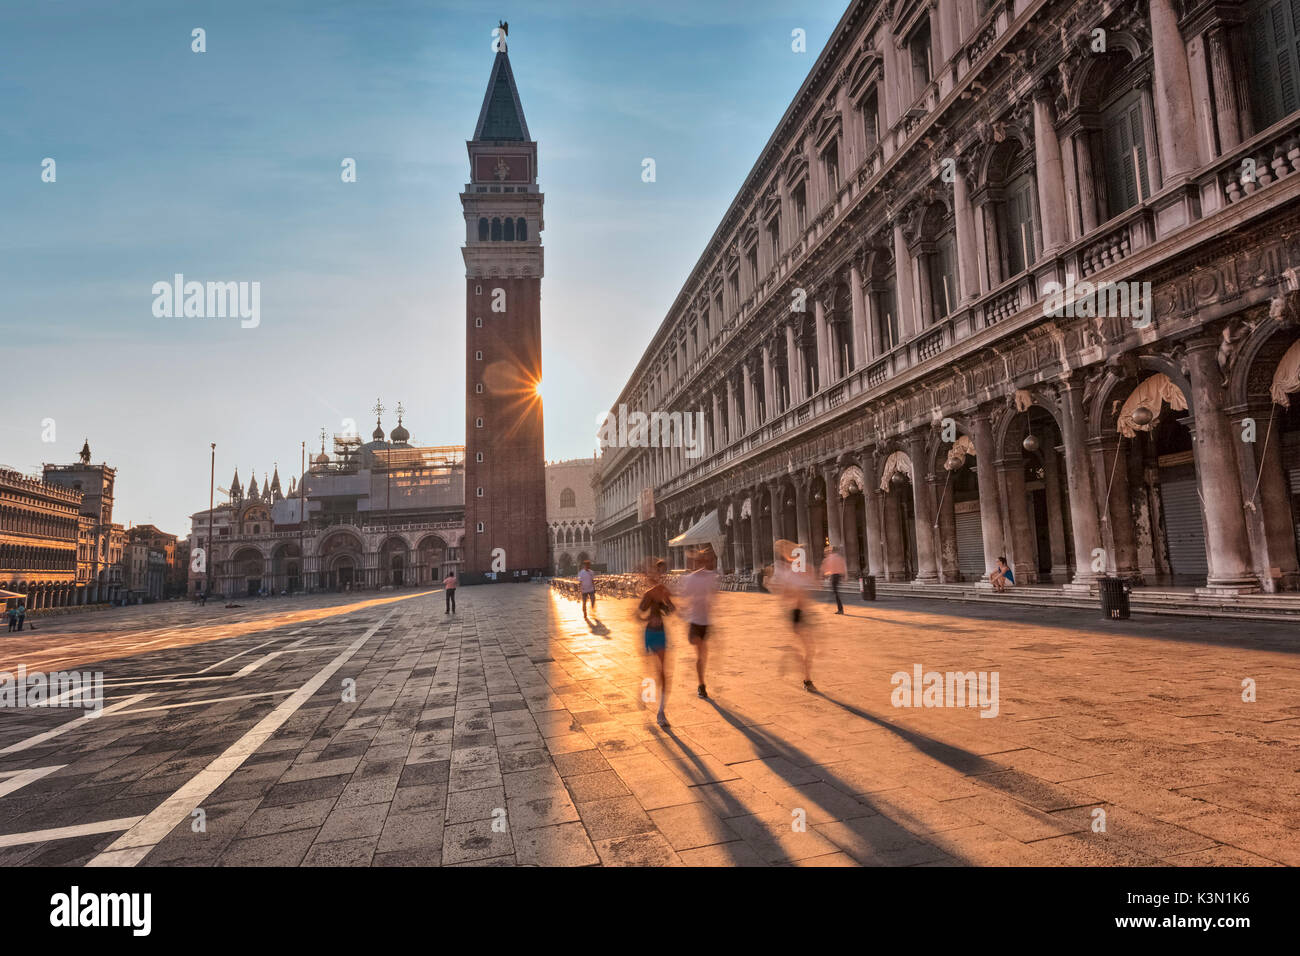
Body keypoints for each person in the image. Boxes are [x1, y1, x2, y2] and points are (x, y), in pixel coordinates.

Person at [637, 559, 676, 728]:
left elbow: (672, 608)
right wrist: (648, 617)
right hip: (650, 633)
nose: (661, 574)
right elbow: (638, 614)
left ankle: (661, 712)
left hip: (660, 632)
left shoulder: (663, 590)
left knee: (663, 671)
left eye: (663, 572)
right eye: (659, 571)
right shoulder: (648, 593)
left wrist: (666, 607)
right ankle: (646, 694)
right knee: (649, 670)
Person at [772, 541, 815, 692]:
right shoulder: (790, 573)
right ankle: (806, 679)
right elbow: (784, 595)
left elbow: (810, 585)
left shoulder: (803, 570)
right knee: (809, 648)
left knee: (809, 648)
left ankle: (803, 672)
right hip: (795, 614)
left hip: (804, 613)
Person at [679, 546, 719, 699]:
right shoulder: (691, 578)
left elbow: (713, 595)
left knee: (703, 655)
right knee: (700, 654)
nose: (700, 563)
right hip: (695, 621)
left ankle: (701, 682)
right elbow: (684, 598)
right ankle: (701, 684)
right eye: (698, 561)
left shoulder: (710, 576)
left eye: (702, 560)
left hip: (705, 622)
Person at [822, 545, 847, 614]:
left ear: (831, 551)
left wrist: (824, 575)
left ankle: (837, 608)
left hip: (833, 576)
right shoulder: (839, 558)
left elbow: (825, 568)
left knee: (835, 592)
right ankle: (837, 607)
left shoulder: (829, 558)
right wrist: (844, 576)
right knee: (835, 591)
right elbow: (843, 566)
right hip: (838, 576)